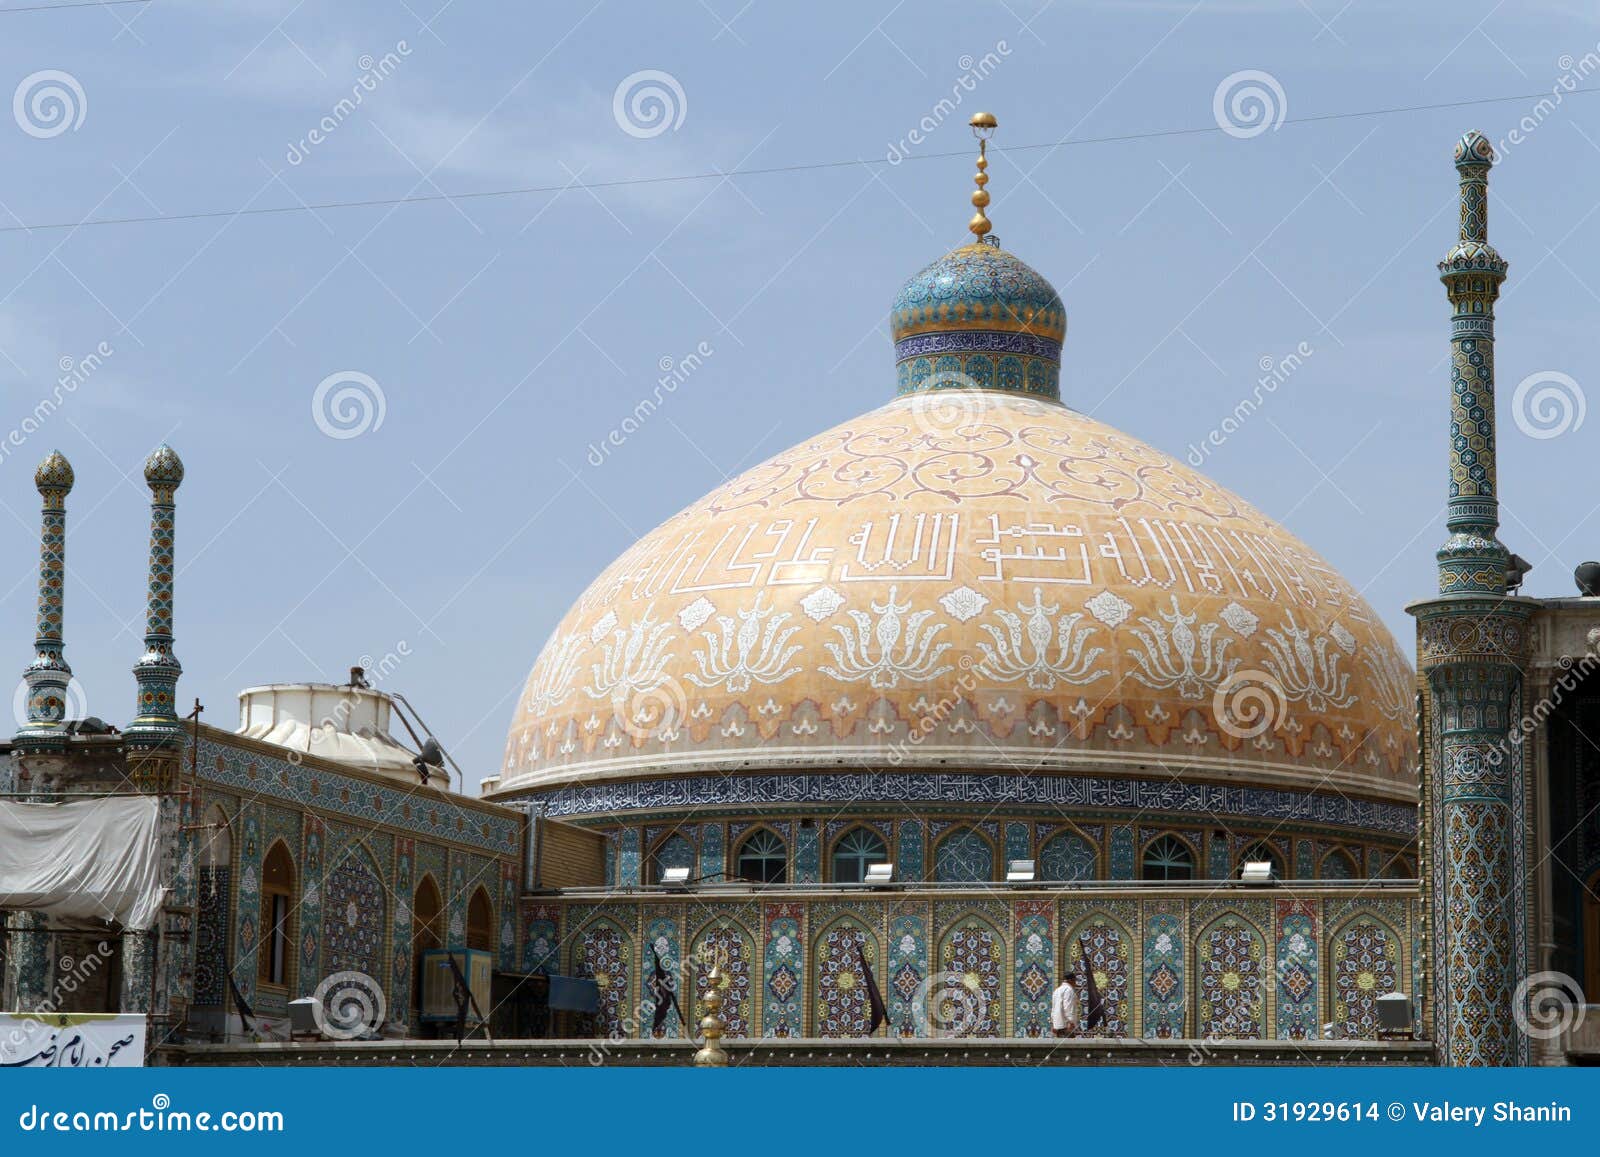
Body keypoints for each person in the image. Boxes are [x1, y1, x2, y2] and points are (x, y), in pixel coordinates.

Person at [1050, 968, 1081, 1038]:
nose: (1075, 983)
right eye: (1074, 980)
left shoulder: (1057, 990)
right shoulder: (1068, 990)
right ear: (1070, 980)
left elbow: (1053, 1009)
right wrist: (1071, 1021)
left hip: (1058, 1025)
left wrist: (1053, 1023)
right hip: (1066, 1026)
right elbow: (1068, 1007)